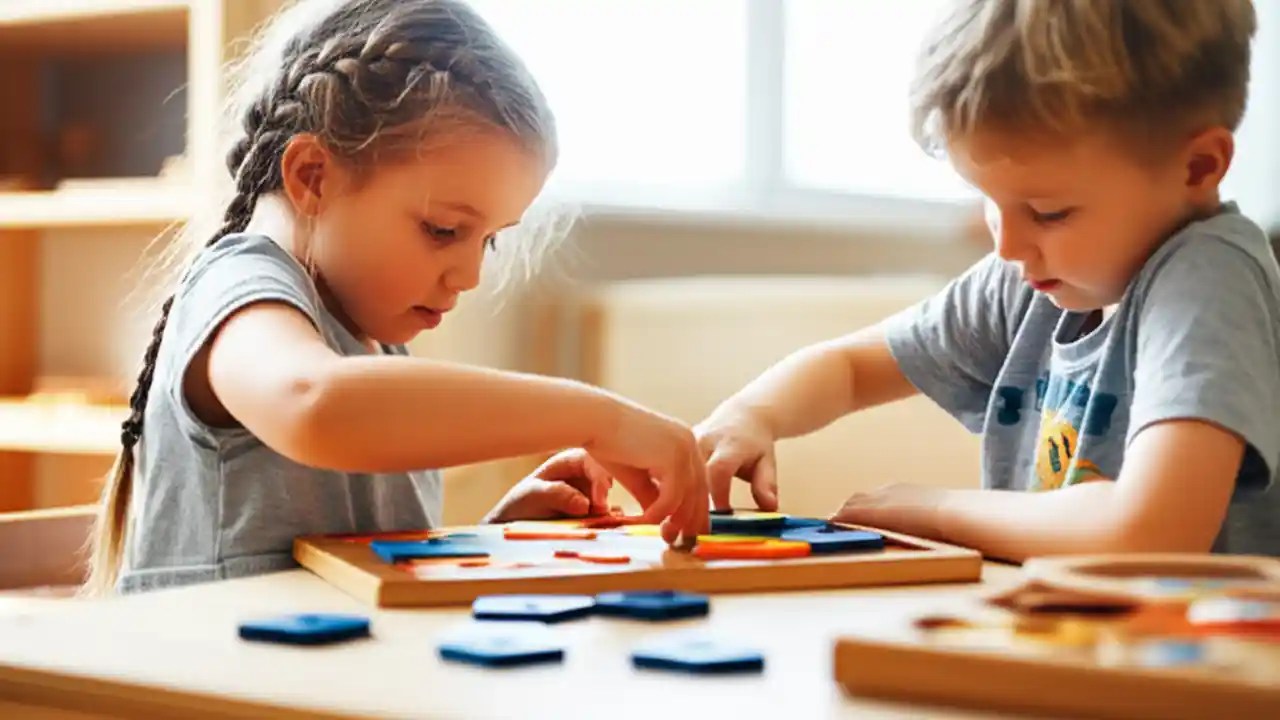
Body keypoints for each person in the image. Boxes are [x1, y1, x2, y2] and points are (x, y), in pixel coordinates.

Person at [85, 0, 708, 596]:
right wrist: (597, 417)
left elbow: (347, 576)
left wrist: (487, 539)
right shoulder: (239, 290)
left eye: (489, 240)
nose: (469, 275)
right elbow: (316, 405)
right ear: (312, 176)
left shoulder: (373, 345)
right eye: (443, 230)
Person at [697, 0, 1279, 560]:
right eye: (987, 200)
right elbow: (850, 368)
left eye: (1049, 212)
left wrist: (935, 509)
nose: (1006, 246)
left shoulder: (1211, 277)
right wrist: (752, 415)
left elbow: (1150, 532)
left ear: (1198, 167)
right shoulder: (1034, 276)